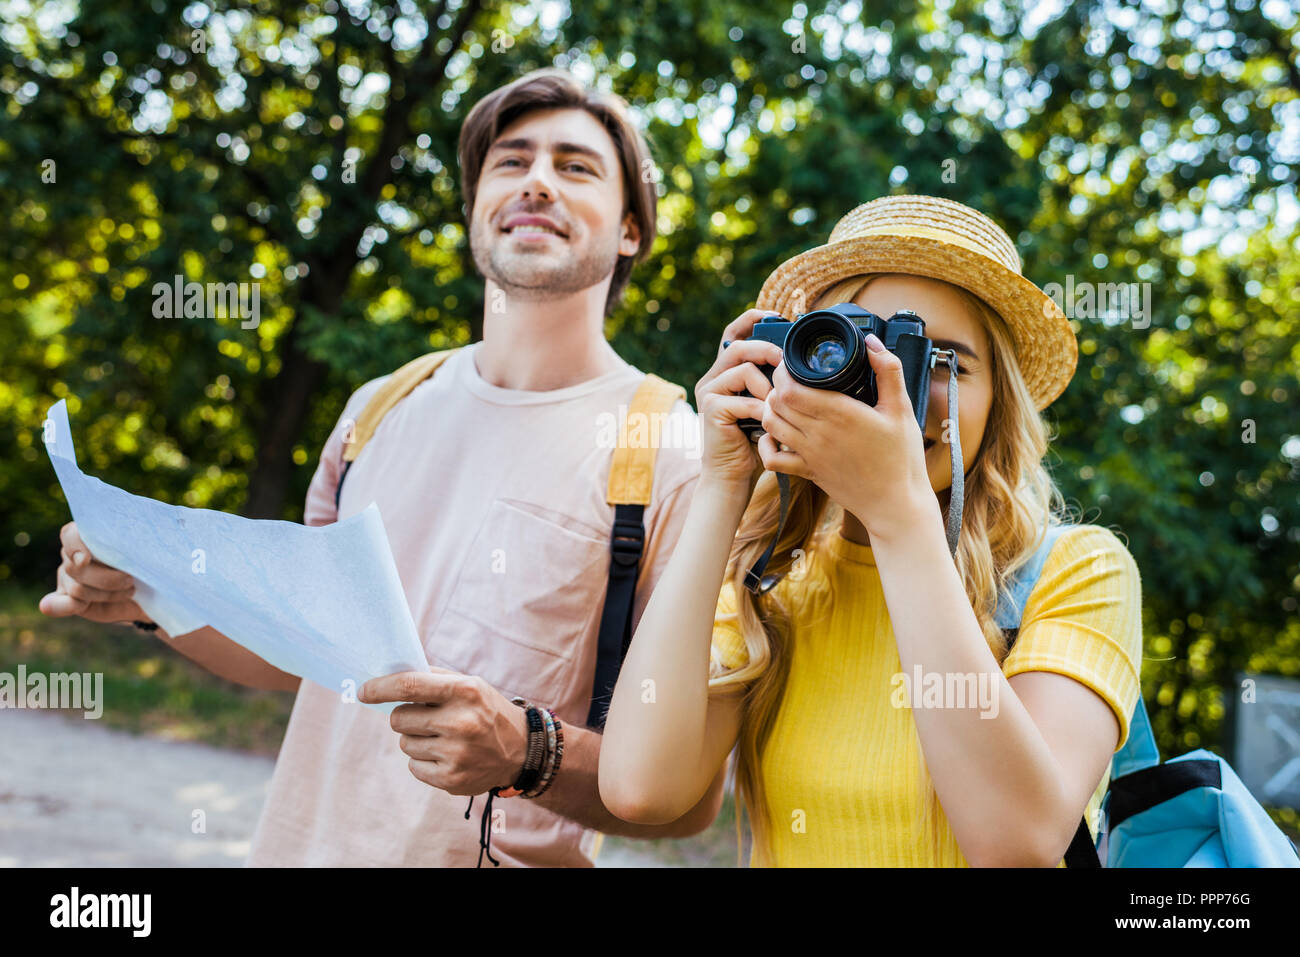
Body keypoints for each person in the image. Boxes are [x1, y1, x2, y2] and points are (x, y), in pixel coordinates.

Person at [39, 67, 717, 867]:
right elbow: (297, 658)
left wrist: (525, 751)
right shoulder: (381, 407)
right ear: (474, 205)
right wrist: (144, 600)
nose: (537, 181)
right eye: (511, 160)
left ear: (631, 229)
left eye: (575, 166)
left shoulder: (674, 453)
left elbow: (685, 798)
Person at [597, 194, 1145, 867]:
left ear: (998, 403)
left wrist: (897, 512)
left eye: (938, 360)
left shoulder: (1079, 569)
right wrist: (722, 486)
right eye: (859, 349)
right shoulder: (772, 583)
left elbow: (1017, 842)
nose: (892, 387)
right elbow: (640, 788)